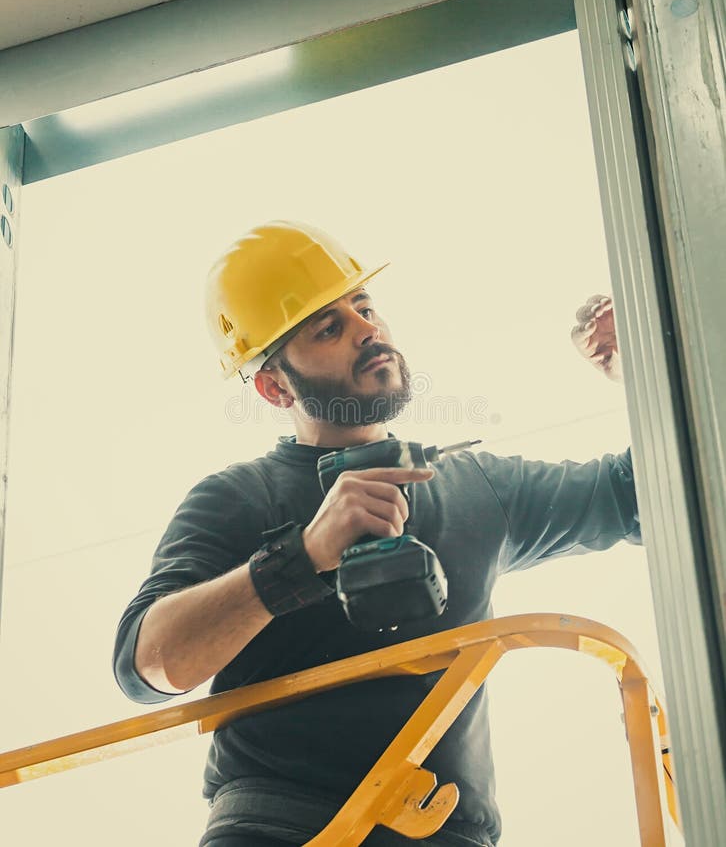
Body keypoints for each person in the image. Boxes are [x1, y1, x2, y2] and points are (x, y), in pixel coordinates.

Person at [113, 221, 639, 847]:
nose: (369, 330)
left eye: (363, 307)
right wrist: (302, 558)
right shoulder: (237, 499)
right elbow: (147, 666)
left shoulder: (475, 488)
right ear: (273, 385)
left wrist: (643, 367)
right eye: (329, 328)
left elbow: (637, 497)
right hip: (281, 832)